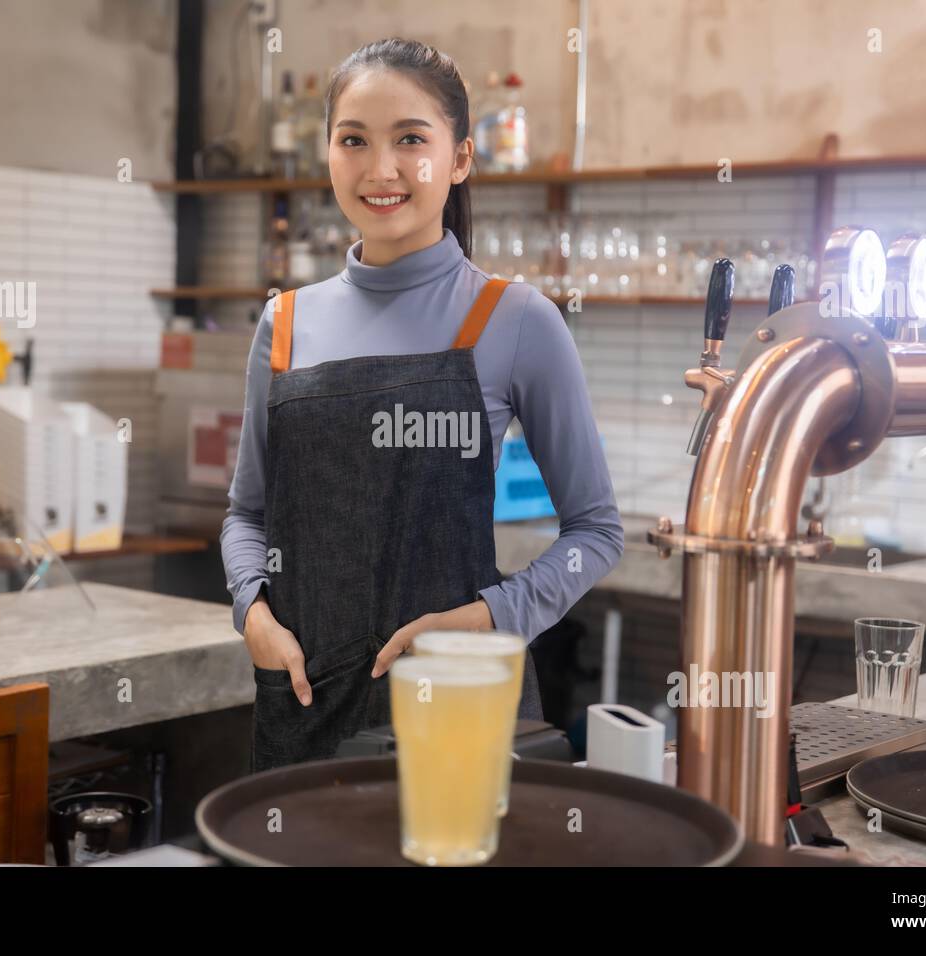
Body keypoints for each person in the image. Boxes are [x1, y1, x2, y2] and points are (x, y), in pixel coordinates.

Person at [221, 37, 624, 772]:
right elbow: (248, 514)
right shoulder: (282, 325)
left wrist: (492, 618)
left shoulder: (516, 319)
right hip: (300, 711)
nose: (381, 170)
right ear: (330, 155)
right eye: (354, 141)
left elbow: (596, 532)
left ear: (461, 159)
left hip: (459, 702)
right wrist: (251, 612)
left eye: (411, 139)